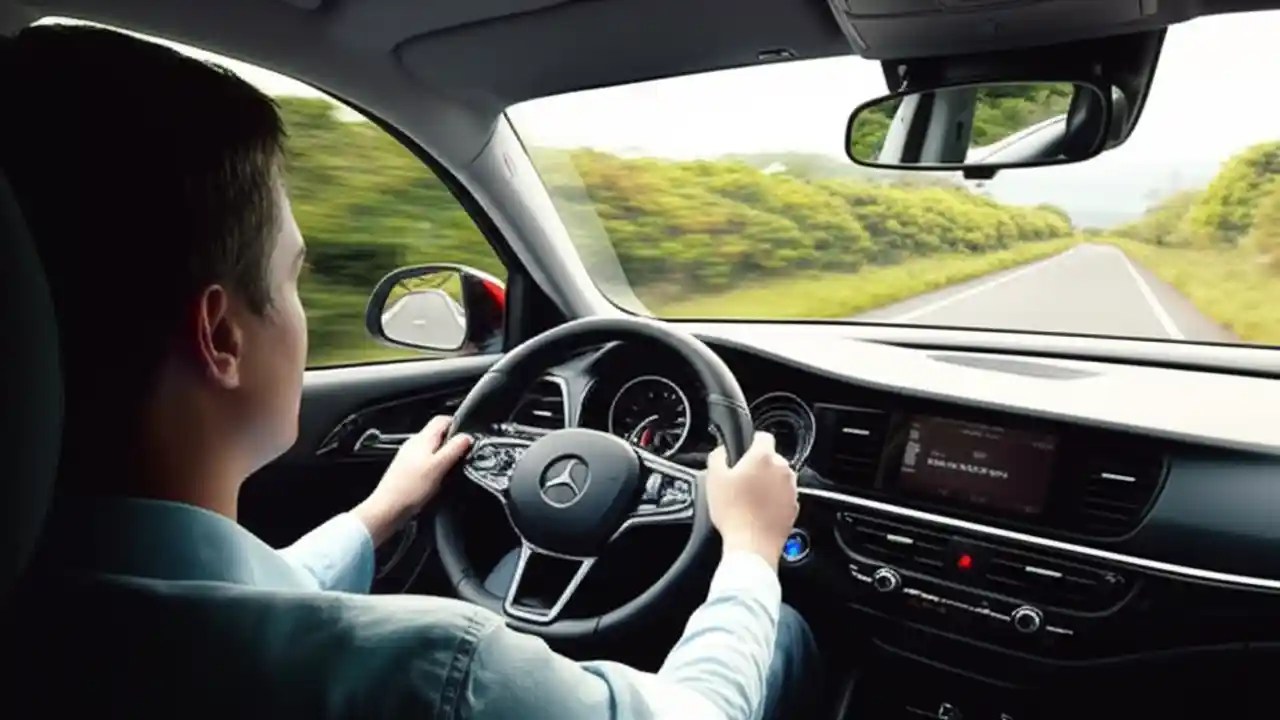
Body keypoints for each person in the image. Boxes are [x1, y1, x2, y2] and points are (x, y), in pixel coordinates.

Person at [4, 24, 818, 719]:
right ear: (221, 336)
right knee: (783, 637)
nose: (296, 308)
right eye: (293, 279)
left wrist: (380, 511)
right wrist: (749, 549)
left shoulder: (48, 610)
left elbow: (252, 595)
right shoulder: (439, 675)